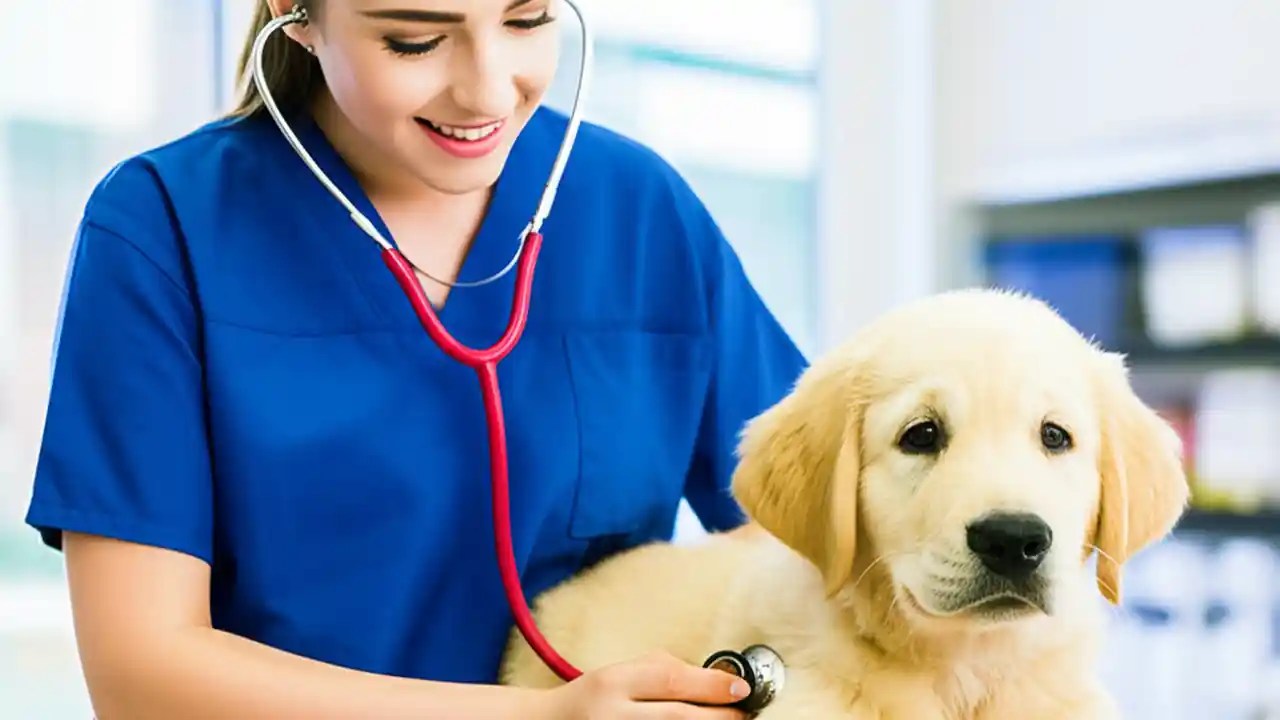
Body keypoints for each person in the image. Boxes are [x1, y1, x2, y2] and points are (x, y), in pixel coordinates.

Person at [24, 0, 807, 717]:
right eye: (416, 40)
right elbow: (142, 677)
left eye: (528, 19)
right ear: (294, 13)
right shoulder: (162, 227)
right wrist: (544, 716)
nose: (489, 92)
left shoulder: (638, 208)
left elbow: (808, 526)